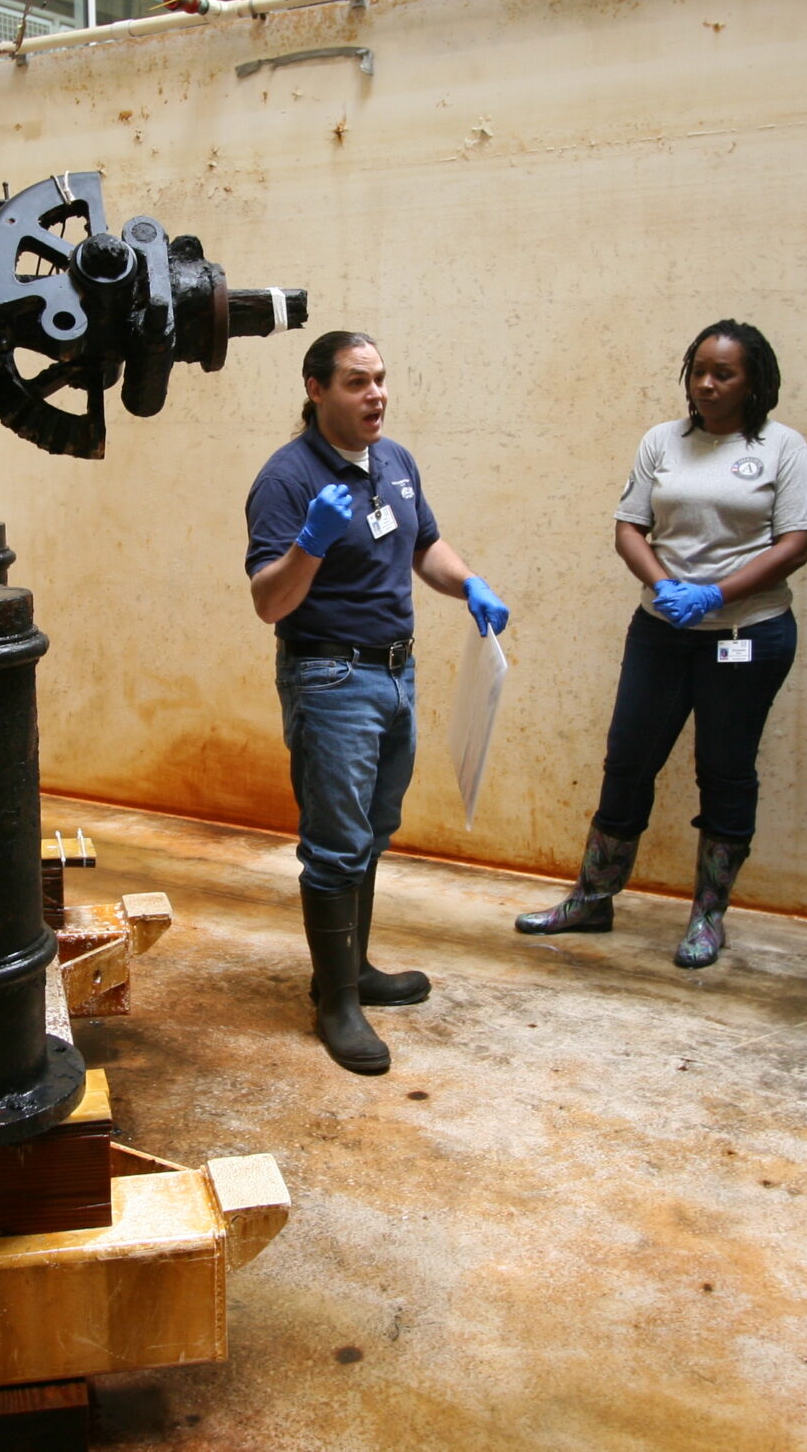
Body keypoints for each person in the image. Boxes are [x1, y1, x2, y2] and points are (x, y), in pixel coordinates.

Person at [514, 321, 807, 966]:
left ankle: (709, 917)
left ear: (754, 381)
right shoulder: (663, 441)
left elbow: (794, 543)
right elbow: (630, 527)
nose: (707, 384)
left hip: (748, 635)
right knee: (628, 759)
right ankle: (592, 898)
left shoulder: (782, 448)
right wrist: (666, 589)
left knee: (726, 770)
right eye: (698, 370)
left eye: (724, 373)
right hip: (662, 631)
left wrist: (715, 595)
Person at [244, 330, 510, 1076]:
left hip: (397, 675)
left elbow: (426, 542)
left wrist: (469, 584)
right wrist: (310, 544)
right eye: (358, 382)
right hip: (329, 680)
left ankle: (352, 970)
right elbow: (271, 602)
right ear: (316, 389)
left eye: (381, 379)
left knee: (372, 830)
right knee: (334, 843)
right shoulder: (286, 479)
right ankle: (334, 1005)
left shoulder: (394, 461)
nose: (377, 395)